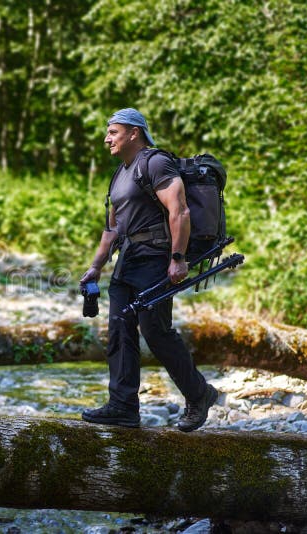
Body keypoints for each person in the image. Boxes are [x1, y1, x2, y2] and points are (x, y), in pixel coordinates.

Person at [79, 108, 218, 432]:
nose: (106, 138)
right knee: (119, 331)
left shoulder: (155, 163)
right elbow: (112, 229)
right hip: (128, 259)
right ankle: (123, 406)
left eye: (113, 132)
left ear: (134, 132)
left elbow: (179, 210)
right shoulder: (120, 173)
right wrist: (95, 267)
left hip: (155, 257)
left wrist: (178, 257)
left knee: (155, 332)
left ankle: (200, 395)